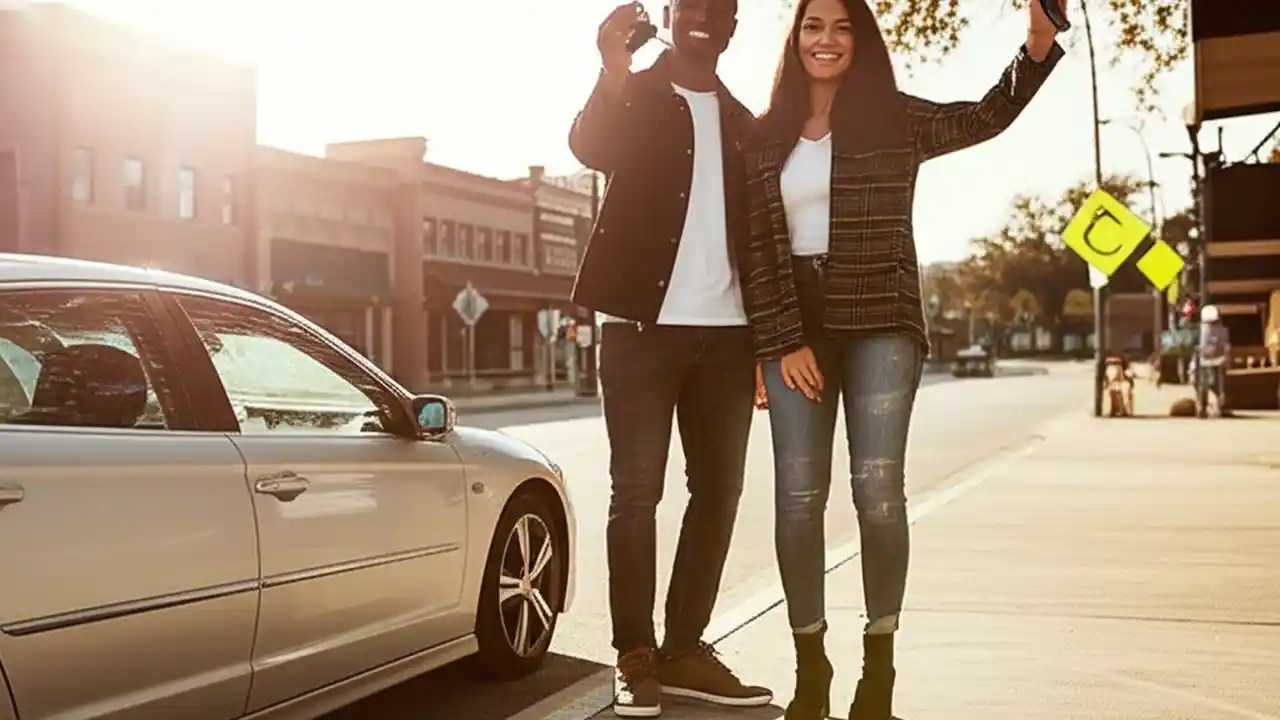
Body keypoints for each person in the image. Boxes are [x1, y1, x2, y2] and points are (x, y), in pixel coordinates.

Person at [741, 0, 1067, 717]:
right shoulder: (762, 138)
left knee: (878, 490)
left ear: (861, 41)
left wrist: (1036, 46)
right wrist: (781, 338)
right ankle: (810, 664)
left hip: (882, 321)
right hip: (797, 327)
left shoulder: (896, 118)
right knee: (798, 499)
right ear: (795, 40)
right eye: (813, 27)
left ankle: (879, 662)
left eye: (842, 28)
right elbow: (756, 251)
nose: (826, 41)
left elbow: (986, 115)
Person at [568, 1, 772, 716]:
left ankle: (685, 647)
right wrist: (613, 64)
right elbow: (591, 147)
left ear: (732, 29)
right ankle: (635, 655)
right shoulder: (639, 95)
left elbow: (766, 241)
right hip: (639, 333)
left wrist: (766, 344)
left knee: (720, 493)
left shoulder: (747, 123)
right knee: (637, 496)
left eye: (721, 10)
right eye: (692, 5)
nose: (705, 18)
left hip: (729, 336)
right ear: (670, 14)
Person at [1198, 304, 1232, 416]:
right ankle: (1203, 406)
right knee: (1206, 384)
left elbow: (1225, 345)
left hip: (1216, 361)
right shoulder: (1202, 330)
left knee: (1215, 384)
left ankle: (1218, 405)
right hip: (1206, 361)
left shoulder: (1221, 330)